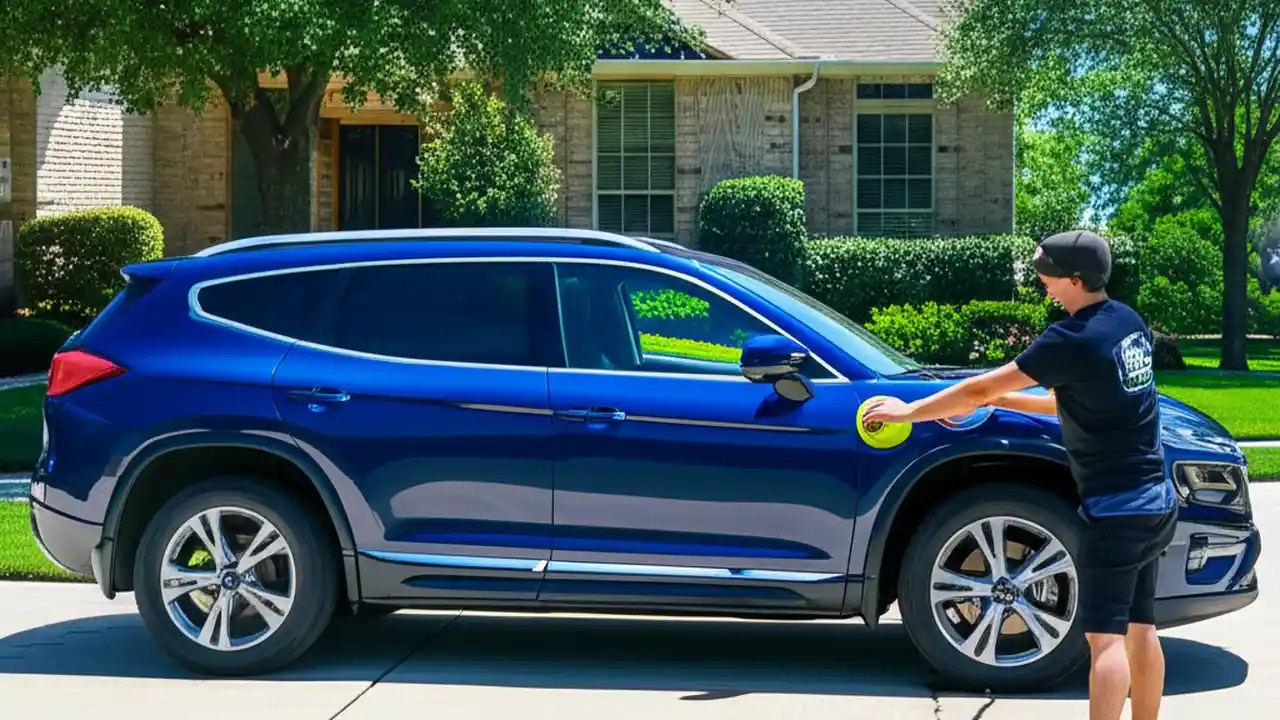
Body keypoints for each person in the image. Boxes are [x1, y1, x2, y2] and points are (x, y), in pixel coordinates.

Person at [863, 229, 1176, 720]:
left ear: (1075, 278)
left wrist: (908, 413)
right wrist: (1003, 400)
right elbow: (1075, 401)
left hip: (1116, 511)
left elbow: (975, 389)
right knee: (1141, 627)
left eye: (1046, 274)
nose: (1041, 282)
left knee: (1104, 641)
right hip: (1156, 503)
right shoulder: (1126, 324)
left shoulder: (1070, 339)